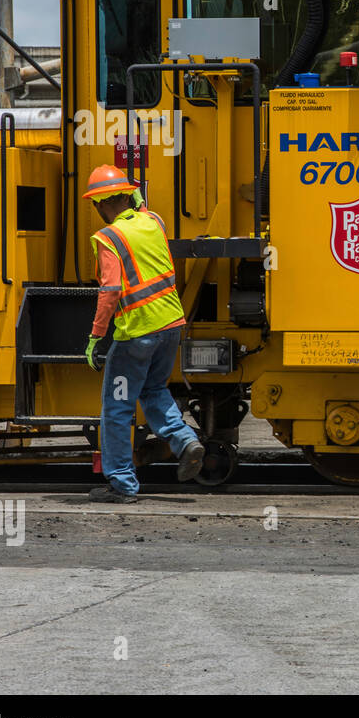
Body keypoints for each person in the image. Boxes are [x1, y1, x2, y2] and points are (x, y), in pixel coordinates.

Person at [83, 165, 204, 502]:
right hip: (171, 325)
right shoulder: (155, 222)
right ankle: (183, 439)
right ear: (130, 196)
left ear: (100, 205)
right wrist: (135, 195)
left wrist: (96, 337)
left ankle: (122, 484)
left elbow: (109, 291)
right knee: (153, 389)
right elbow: (143, 209)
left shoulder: (108, 238)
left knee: (118, 408)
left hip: (137, 332)